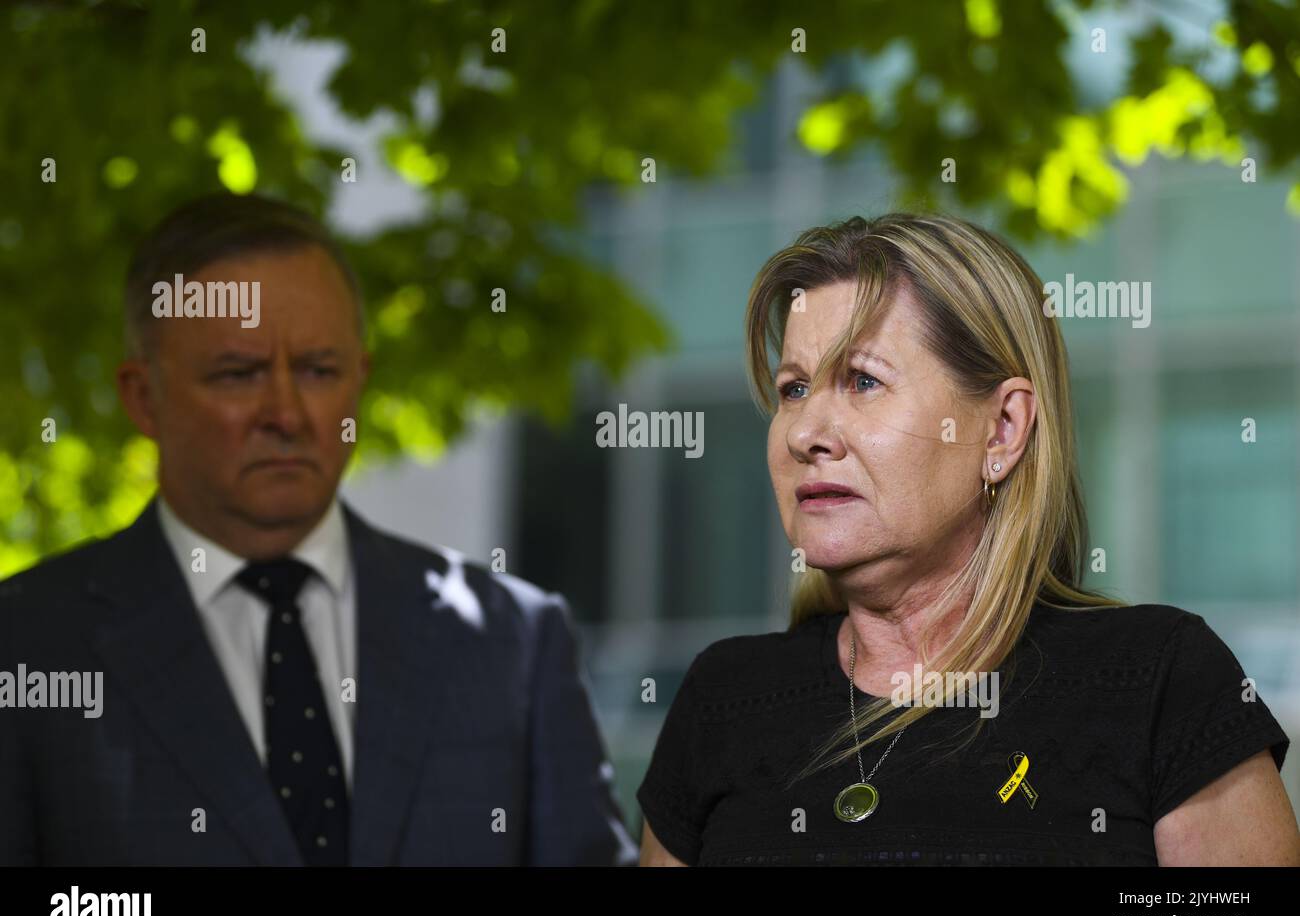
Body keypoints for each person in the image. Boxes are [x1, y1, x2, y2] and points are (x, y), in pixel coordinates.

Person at [636, 212, 1299, 866]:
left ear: (1003, 429)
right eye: (794, 388)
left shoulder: (1159, 683)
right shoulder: (725, 698)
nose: (806, 431)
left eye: (862, 380)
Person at [0, 192, 636, 866]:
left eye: (318, 371)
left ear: (358, 380)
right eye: (238, 373)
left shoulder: (513, 642)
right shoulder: (28, 647)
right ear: (142, 396)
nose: (287, 412)